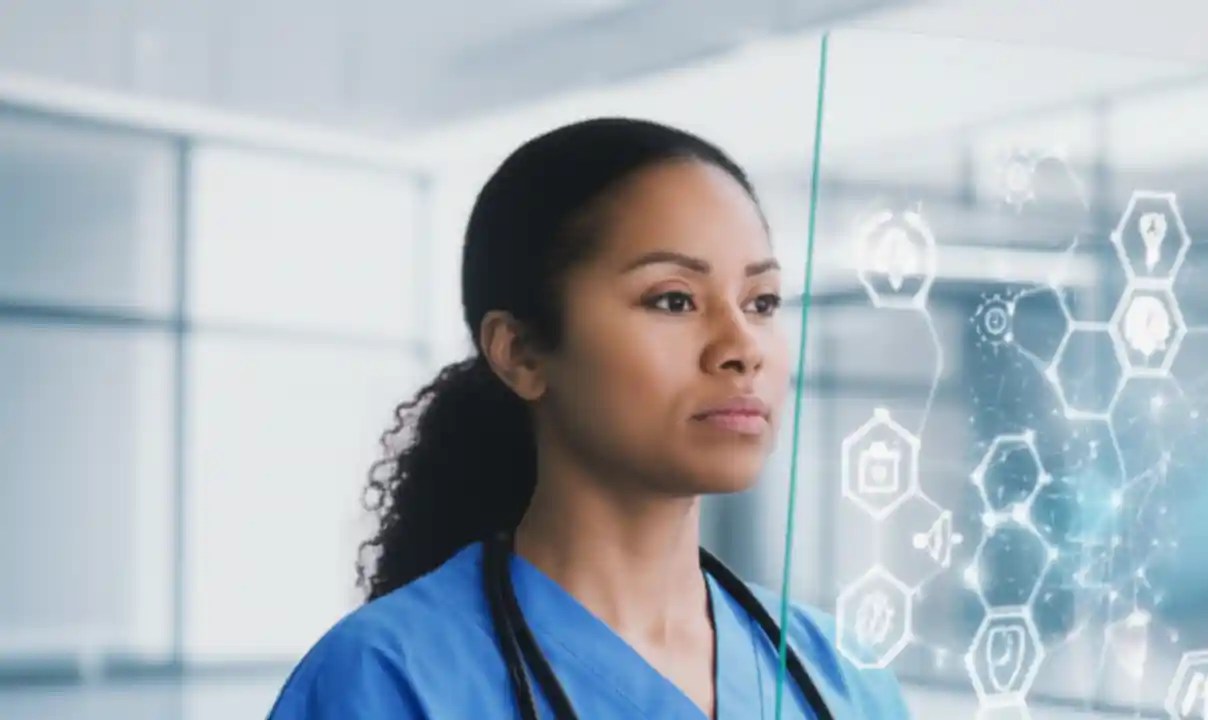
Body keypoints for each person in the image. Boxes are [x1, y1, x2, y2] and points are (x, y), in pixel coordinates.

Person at [267, 117, 909, 719]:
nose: (742, 348)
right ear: (519, 353)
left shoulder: (838, 676)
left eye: (761, 301)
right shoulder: (387, 682)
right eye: (675, 299)